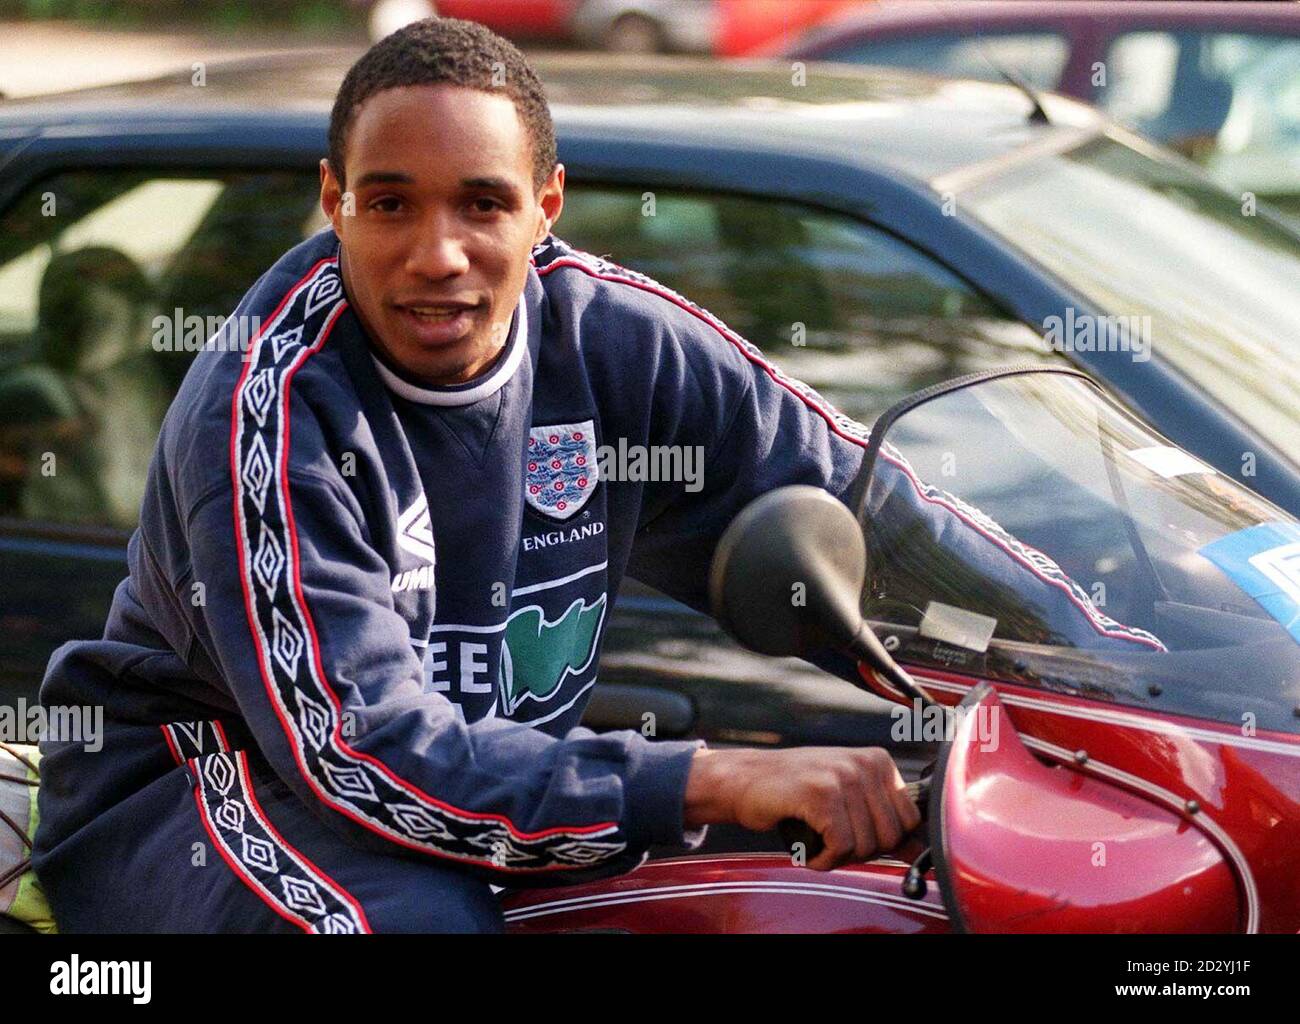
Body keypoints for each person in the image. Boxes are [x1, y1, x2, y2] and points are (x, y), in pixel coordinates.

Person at [32, 18, 1153, 934]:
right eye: (389, 203)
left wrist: (1122, 670)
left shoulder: (617, 343)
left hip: (474, 784)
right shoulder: (268, 403)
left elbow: (879, 511)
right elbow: (356, 752)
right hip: (208, 788)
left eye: (481, 202)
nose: (437, 253)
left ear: (546, 205)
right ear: (333, 201)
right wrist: (706, 778)